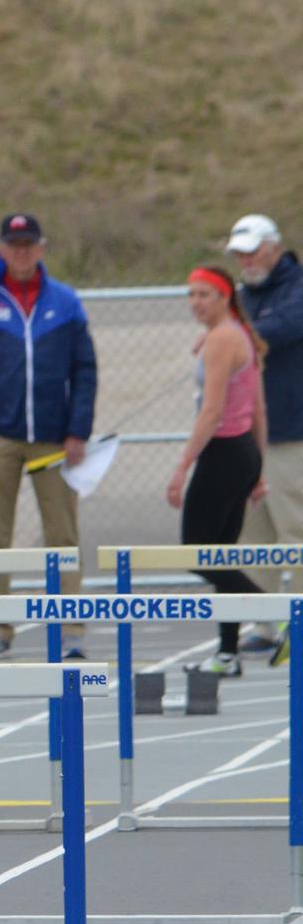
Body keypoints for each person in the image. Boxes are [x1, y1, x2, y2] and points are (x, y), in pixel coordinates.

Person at [0, 213, 98, 661]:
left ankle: (68, 629)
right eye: (13, 244)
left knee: (62, 534)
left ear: (41, 248)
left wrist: (77, 430)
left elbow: (84, 370)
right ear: (1, 249)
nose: (21, 252)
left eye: (28, 244)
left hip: (54, 438)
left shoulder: (65, 302)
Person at [171, 265, 267, 676]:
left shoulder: (223, 339)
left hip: (224, 452)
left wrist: (182, 467)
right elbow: (258, 408)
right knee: (220, 555)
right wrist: (258, 468)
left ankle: (280, 617)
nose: (196, 302)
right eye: (191, 295)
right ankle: (228, 653)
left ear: (224, 298)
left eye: (204, 295)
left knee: (199, 552)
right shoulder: (234, 335)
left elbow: (211, 412)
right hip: (242, 453)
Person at [223, 216, 303, 659]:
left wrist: (232, 334)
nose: (246, 260)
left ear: (275, 248)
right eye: (240, 253)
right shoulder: (242, 298)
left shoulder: (296, 289)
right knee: (253, 535)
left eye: (253, 251)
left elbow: (282, 329)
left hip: (291, 431)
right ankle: (265, 623)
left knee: (295, 529)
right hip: (245, 434)